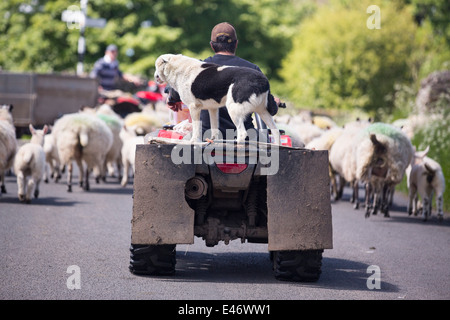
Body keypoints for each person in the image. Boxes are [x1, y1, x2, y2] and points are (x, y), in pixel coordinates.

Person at [167, 22, 282, 139]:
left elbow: (177, 86)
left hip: (205, 136)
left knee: (184, 142)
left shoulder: (198, 70)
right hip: (246, 137)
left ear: (212, 45)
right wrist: (273, 102)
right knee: (267, 141)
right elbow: (270, 110)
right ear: (236, 44)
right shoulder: (252, 71)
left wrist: (172, 98)